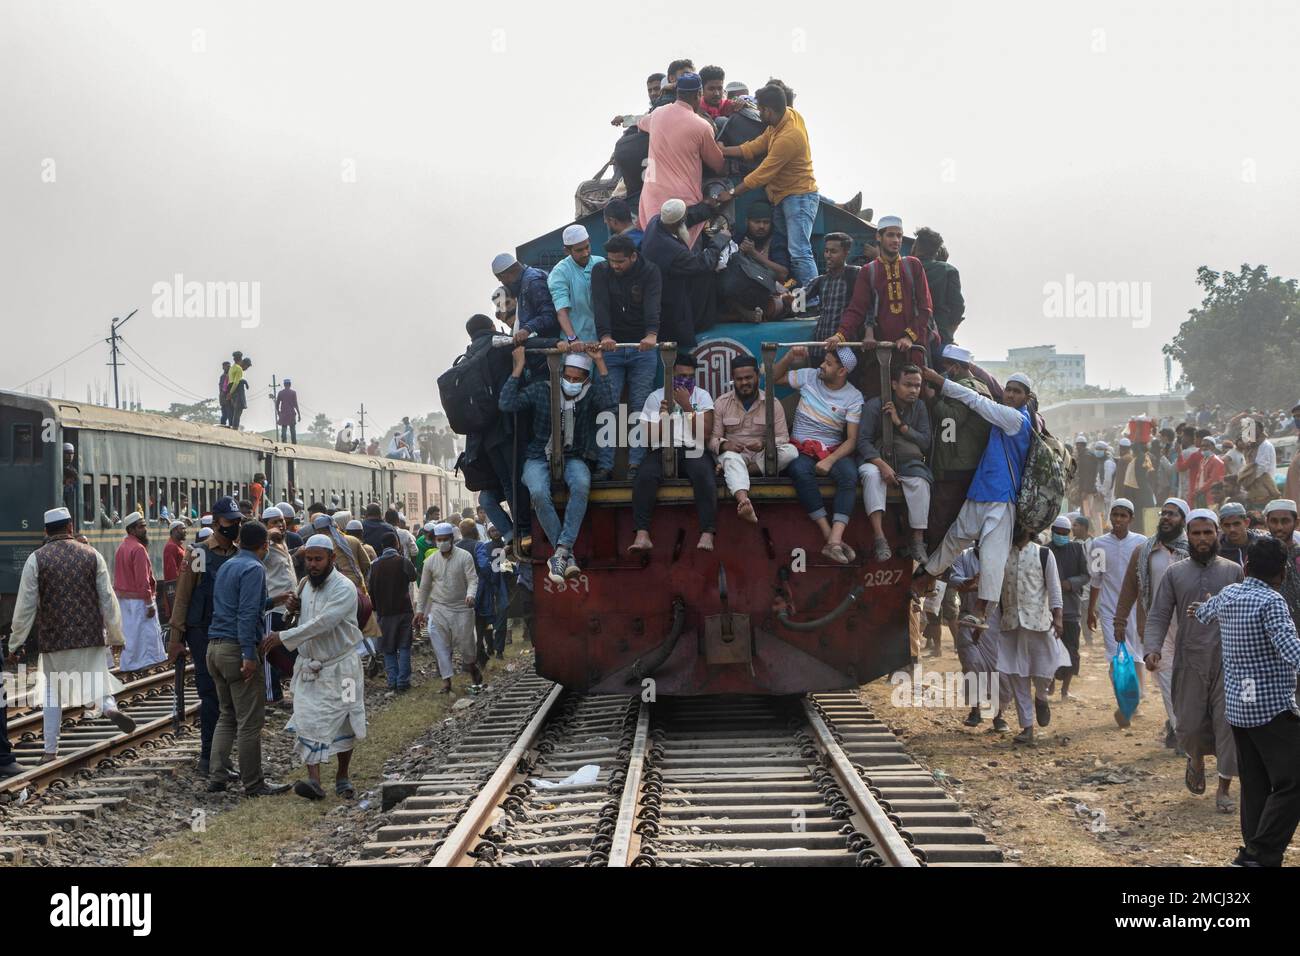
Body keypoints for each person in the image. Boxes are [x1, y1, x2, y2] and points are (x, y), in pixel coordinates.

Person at [1193, 537, 1300, 867]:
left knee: (1255, 785)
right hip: (1270, 709)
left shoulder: (1229, 594)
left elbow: (1203, 614)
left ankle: (1253, 855)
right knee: (1293, 781)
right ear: (1282, 573)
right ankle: (1261, 852)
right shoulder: (1271, 602)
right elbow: (1291, 650)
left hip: (1239, 708)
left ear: (1247, 566)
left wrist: (1200, 607)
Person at [6, 507, 134, 765]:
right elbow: (107, 599)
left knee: (52, 693)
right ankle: (109, 708)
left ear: (46, 531)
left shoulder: (36, 559)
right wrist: (116, 636)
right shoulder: (92, 555)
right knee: (98, 677)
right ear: (71, 527)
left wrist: (15, 643)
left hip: (54, 638)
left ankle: (50, 750)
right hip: (89, 634)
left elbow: (25, 606)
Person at [912, 368, 1037, 629]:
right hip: (980, 490)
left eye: (1017, 392)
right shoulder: (1006, 416)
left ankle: (981, 611)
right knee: (953, 540)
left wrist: (939, 381)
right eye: (1009, 390)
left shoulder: (1015, 420)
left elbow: (975, 401)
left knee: (993, 555)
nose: (1010, 395)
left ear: (1027, 398)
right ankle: (920, 581)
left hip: (1002, 499)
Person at [1144, 509, 1242, 813]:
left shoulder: (1233, 571)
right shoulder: (1175, 573)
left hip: (1227, 660)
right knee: (1188, 724)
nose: (1202, 539)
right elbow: (1159, 613)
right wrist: (1152, 648)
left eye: (1208, 533)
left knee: (1228, 726)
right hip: (1189, 660)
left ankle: (1223, 788)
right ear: (1189, 535)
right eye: (1196, 533)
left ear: (1217, 534)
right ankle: (1196, 760)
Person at [499, 346, 614, 585]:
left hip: (574, 457)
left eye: (577, 379)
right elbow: (507, 403)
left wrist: (600, 361)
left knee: (582, 485)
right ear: (560, 374)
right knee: (539, 493)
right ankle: (567, 556)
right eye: (567, 377)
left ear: (585, 380)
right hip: (538, 456)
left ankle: (561, 551)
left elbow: (610, 403)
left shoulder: (590, 395)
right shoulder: (542, 390)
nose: (571, 382)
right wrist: (518, 367)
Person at [265, 534, 367, 799]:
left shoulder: (344, 588)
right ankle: (314, 782)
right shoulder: (304, 585)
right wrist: (294, 608)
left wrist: (283, 637)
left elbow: (324, 622)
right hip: (310, 669)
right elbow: (304, 618)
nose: (312, 565)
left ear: (332, 558)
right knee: (307, 717)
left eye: (318, 559)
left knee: (346, 719)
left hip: (344, 669)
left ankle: (342, 776)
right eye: (308, 559)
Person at [205, 520, 292, 796]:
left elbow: (236, 605)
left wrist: (274, 600)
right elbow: (245, 614)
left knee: (227, 715)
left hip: (214, 648)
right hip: (236, 649)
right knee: (250, 721)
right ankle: (254, 783)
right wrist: (248, 654)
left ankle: (217, 775)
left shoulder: (228, 565)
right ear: (265, 545)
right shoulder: (255, 568)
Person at [714, 83, 819, 287]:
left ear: (768, 111)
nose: (758, 113)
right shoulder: (784, 117)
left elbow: (761, 175)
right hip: (782, 196)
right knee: (789, 249)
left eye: (760, 109)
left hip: (799, 197)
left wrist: (732, 193)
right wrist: (725, 151)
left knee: (800, 251)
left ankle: (814, 300)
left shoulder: (789, 137)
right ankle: (797, 295)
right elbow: (756, 146)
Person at [169, 495, 243, 774]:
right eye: (229, 522)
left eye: (237, 522)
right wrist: (176, 639)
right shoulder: (199, 553)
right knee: (210, 695)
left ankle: (221, 756)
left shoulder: (239, 553)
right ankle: (208, 756)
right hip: (201, 632)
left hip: (230, 630)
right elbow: (184, 596)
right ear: (216, 521)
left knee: (232, 696)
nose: (234, 527)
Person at [773, 345, 864, 564]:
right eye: (824, 361)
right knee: (798, 470)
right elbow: (774, 378)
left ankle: (835, 538)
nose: (822, 366)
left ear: (842, 371)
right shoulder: (810, 376)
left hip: (832, 450)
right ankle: (829, 537)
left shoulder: (853, 397)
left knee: (849, 475)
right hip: (801, 447)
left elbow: (851, 440)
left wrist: (830, 460)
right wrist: (788, 357)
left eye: (829, 363)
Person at [1115, 498, 1190, 749]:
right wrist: (1120, 620)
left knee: (1189, 680)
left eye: (1173, 514)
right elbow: (1129, 588)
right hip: (1155, 626)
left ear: (1183, 520)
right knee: (1166, 679)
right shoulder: (1144, 551)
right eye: (1163, 513)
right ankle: (1181, 732)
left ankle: (1179, 724)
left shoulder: (1194, 550)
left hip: (1190, 625)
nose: (1166, 518)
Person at [829, 215, 935, 390]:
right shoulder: (868, 271)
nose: (896, 240)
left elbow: (926, 308)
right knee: (878, 396)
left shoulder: (913, 265)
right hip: (880, 350)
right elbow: (857, 309)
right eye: (891, 235)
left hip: (911, 349)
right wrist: (840, 335)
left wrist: (909, 337)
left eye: (899, 236)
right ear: (879, 237)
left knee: (914, 395)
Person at [629, 354, 717, 553]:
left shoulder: (702, 396)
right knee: (644, 477)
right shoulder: (655, 397)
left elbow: (704, 434)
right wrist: (664, 417)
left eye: (689, 376)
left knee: (704, 475)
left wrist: (686, 406)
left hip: (693, 449)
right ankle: (642, 534)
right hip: (661, 449)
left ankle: (707, 532)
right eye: (680, 376)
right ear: (670, 375)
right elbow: (648, 438)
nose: (685, 380)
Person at [592, 233, 662, 480]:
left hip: (642, 348)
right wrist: (605, 336)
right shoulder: (600, 271)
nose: (615, 266)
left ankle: (636, 465)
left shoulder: (650, 272)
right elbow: (599, 305)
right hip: (612, 347)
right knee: (607, 406)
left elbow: (653, 304)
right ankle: (605, 466)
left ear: (633, 256)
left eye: (619, 261)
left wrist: (651, 334)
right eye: (611, 260)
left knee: (640, 406)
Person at [993, 524, 1069, 744]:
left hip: (1039, 622)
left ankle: (1042, 696)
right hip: (1010, 625)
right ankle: (1027, 727)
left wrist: (1058, 617)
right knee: (1017, 676)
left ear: (1030, 527)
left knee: (1046, 668)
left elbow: (1054, 588)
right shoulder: (1001, 554)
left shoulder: (1044, 554)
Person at [635, 71, 725, 249]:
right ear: (698, 95)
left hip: (652, 203)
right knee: (686, 260)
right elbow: (718, 166)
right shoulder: (702, 126)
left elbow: (640, 123)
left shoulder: (658, 114)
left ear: (678, 94)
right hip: (684, 206)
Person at [856, 363, 932, 562]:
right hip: (877, 459)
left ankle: (917, 540)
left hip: (908, 461)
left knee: (920, 483)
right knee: (871, 476)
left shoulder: (920, 407)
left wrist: (900, 424)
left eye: (917, 385)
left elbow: (925, 441)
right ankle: (880, 537)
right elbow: (863, 441)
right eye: (908, 385)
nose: (914, 390)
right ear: (894, 384)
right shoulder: (875, 405)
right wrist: (882, 465)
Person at [709, 355, 797, 524]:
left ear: (757, 376)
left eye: (748, 377)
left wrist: (764, 444)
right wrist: (726, 444)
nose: (744, 383)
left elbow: (783, 438)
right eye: (739, 379)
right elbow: (712, 440)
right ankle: (743, 501)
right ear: (733, 380)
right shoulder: (722, 403)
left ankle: (744, 471)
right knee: (730, 458)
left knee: (791, 452)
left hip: (762, 457)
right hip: (736, 455)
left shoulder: (772, 403)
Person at [1087, 499, 1149, 728]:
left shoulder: (1141, 543)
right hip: (1110, 608)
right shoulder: (1099, 544)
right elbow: (1096, 579)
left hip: (1136, 608)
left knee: (1137, 654)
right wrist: (1091, 609)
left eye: (1123, 515)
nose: (1118, 520)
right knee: (1116, 655)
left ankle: (1137, 698)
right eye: (1115, 515)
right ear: (1109, 517)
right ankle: (1125, 703)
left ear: (1131, 519)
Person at [639, 197, 731, 351]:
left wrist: (707, 209)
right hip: (671, 302)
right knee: (707, 277)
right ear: (677, 222)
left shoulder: (656, 222)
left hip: (663, 284)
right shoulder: (673, 250)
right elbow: (704, 263)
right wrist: (720, 239)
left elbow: (686, 219)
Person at [926, 345, 993, 550]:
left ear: (955, 367)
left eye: (946, 368)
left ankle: (935, 571)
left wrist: (932, 398)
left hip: (954, 466)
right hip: (968, 464)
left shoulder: (964, 388)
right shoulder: (981, 385)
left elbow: (952, 419)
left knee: (941, 521)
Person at [415, 522, 481, 694]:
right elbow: (424, 588)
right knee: (439, 644)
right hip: (439, 608)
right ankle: (446, 682)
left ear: (452, 539)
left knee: (467, 646)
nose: (442, 542)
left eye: (445, 539)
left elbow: (473, 579)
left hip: (462, 607)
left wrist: (470, 595)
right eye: (439, 540)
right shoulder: (430, 561)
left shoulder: (465, 557)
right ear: (435, 540)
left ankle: (473, 670)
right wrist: (420, 611)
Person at [948, 546, 1010, 731]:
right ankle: (975, 710)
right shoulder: (963, 556)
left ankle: (999, 716)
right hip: (968, 618)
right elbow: (953, 579)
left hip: (995, 621)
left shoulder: (1002, 556)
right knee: (972, 663)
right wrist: (970, 582)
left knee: (1000, 669)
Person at [113, 512, 167, 673]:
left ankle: (129, 664)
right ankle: (144, 665)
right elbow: (143, 579)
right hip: (139, 600)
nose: (145, 530)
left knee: (130, 634)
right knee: (145, 634)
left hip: (124, 599)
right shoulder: (138, 549)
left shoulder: (121, 548)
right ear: (132, 529)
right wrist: (149, 603)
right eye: (141, 527)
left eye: (144, 526)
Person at [366, 531, 417, 692]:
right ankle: (403, 682)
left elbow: (369, 587)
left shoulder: (374, 565)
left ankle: (392, 681)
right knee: (404, 646)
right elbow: (414, 577)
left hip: (384, 612)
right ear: (397, 544)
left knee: (388, 649)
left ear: (382, 546)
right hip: (404, 610)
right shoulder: (403, 561)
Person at [1048, 515, 1089, 700]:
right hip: (1048, 609)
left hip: (1071, 607)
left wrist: (1071, 583)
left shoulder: (1077, 549)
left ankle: (1065, 689)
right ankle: (1050, 688)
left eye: (1065, 533)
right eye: (1059, 533)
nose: (1062, 536)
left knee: (1071, 649)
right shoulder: (1045, 551)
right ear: (1053, 532)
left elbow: (1086, 575)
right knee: (1050, 649)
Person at [546, 225, 605, 348]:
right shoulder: (559, 272)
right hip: (578, 342)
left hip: (605, 339)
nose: (585, 253)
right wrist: (573, 339)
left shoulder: (601, 263)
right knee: (573, 368)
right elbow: (562, 311)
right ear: (567, 251)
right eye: (579, 250)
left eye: (587, 247)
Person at [492, 254, 572, 343]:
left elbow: (550, 315)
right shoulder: (524, 282)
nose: (503, 283)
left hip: (552, 342)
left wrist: (528, 328)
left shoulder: (533, 282)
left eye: (501, 280)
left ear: (505, 275)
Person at [804, 232, 861, 354]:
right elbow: (797, 300)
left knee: (845, 372)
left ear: (846, 253)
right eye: (826, 251)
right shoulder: (820, 281)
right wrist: (788, 300)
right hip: (820, 347)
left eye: (833, 252)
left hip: (844, 347)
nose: (828, 255)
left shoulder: (855, 274)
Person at [912, 227, 965, 345]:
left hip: (906, 335)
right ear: (936, 252)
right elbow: (958, 307)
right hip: (939, 336)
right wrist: (948, 332)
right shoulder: (948, 270)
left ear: (915, 247)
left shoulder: (903, 268)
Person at [161, 519, 187, 617]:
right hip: (177, 591)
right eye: (183, 529)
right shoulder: (171, 547)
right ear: (175, 530)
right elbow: (171, 573)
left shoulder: (177, 546)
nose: (185, 531)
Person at [229, 355, 251, 430]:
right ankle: (235, 427)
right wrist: (230, 393)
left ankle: (234, 426)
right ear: (243, 363)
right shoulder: (239, 369)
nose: (246, 369)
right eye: (246, 367)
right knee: (238, 411)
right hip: (237, 392)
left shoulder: (232, 368)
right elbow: (236, 382)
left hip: (233, 391)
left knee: (236, 410)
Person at [276, 378, 300, 443]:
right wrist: (299, 415)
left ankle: (284, 443)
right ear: (290, 384)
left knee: (284, 429)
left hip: (283, 414)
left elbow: (277, 404)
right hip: (291, 414)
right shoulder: (293, 393)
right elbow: (296, 404)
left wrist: (279, 413)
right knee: (292, 430)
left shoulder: (280, 393)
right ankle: (294, 444)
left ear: (284, 385)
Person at [218, 360, 233, 428]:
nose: (229, 368)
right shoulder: (223, 376)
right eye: (227, 366)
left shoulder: (230, 375)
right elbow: (223, 388)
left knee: (229, 415)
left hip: (228, 398)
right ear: (223, 367)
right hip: (225, 398)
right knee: (226, 415)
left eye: (230, 366)